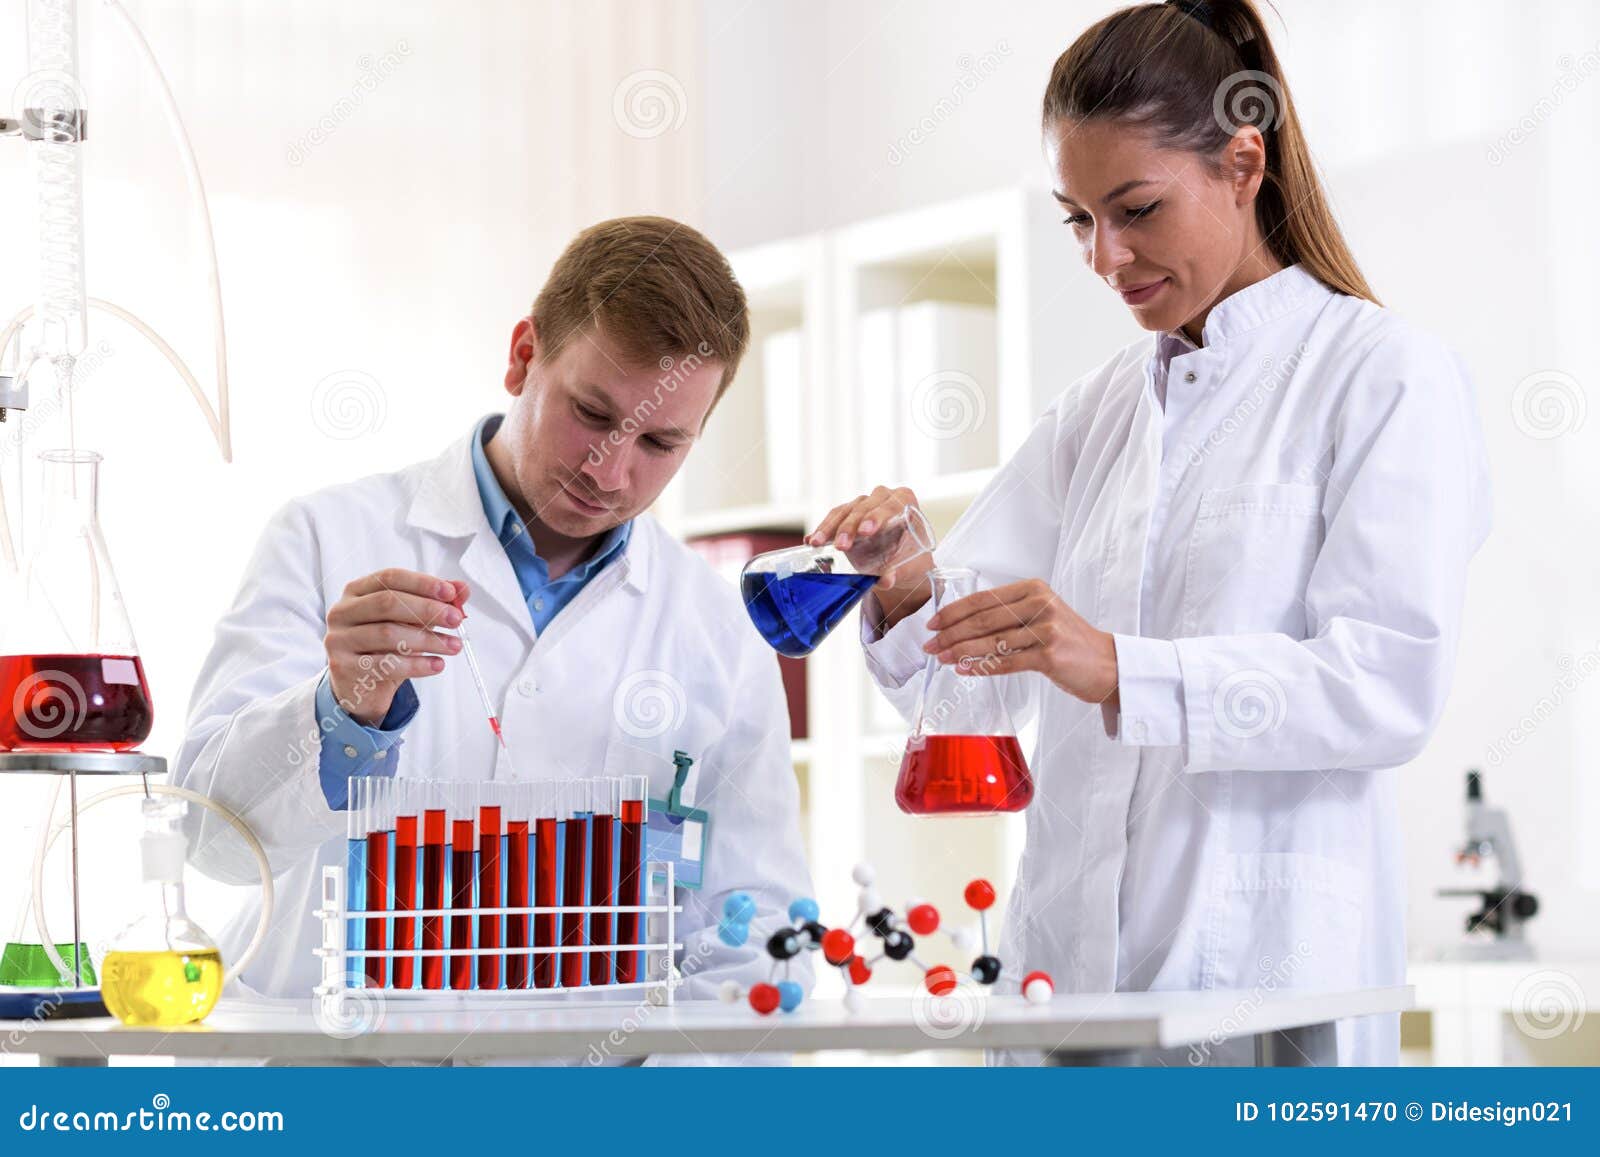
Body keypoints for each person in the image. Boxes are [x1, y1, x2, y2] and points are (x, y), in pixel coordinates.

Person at [813, 0, 1490, 1065]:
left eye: (1135, 209)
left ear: (1241, 162)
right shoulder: (1097, 413)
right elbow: (979, 694)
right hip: (1068, 988)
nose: (1105, 256)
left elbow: (1384, 685)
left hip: (1263, 983)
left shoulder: (1379, 374)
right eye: (1077, 219)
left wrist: (1121, 666)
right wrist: (903, 585)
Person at [172, 217, 813, 1048]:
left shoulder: (716, 627)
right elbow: (212, 839)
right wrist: (341, 713)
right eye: (592, 413)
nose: (610, 471)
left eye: (659, 441)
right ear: (522, 355)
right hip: (330, 1077)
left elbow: (754, 931)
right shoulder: (325, 537)